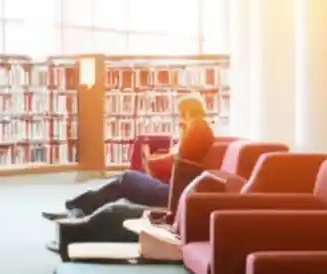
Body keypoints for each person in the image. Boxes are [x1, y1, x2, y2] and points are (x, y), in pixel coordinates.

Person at [43, 94, 215, 221]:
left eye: (180, 113)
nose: (179, 117)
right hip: (174, 188)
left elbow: (171, 161)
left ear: (186, 111)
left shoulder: (197, 128)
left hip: (170, 193)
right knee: (124, 180)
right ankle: (80, 207)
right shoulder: (200, 128)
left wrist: (151, 155)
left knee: (126, 179)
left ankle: (77, 206)